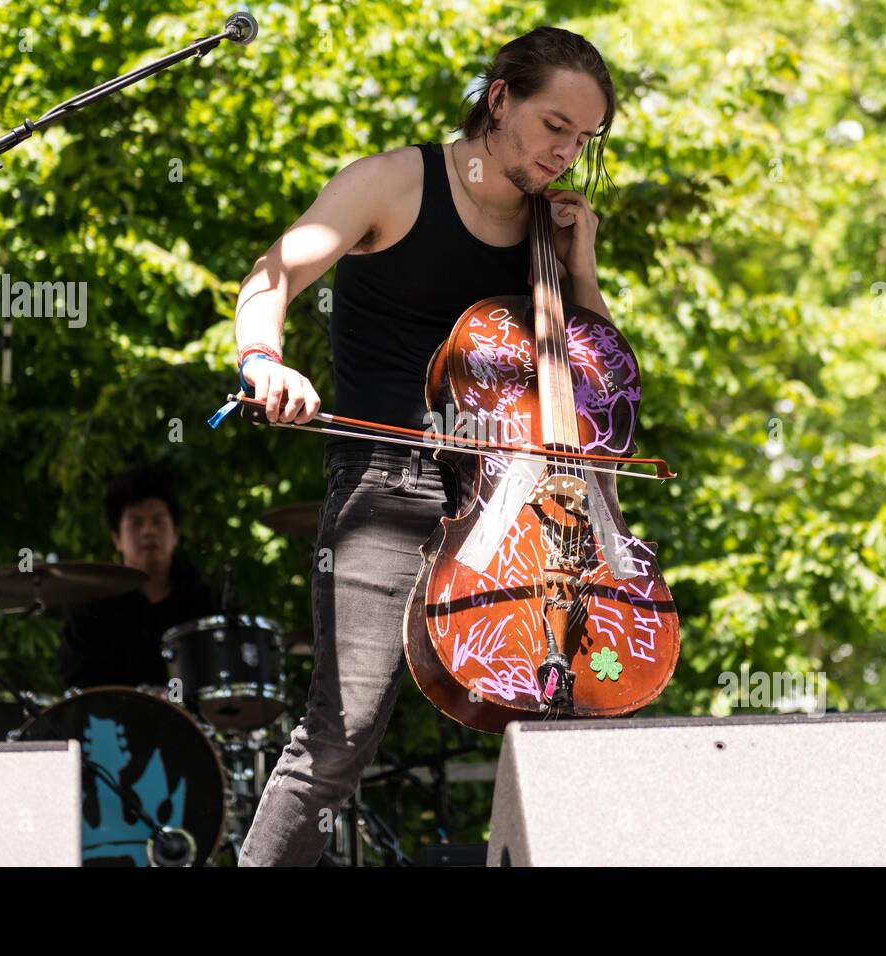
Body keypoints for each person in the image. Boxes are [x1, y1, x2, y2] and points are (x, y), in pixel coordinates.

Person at [233, 25, 616, 865]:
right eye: (556, 127)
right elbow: (275, 274)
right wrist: (264, 361)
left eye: (584, 140)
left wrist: (579, 266)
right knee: (340, 738)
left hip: (517, 506)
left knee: (574, 717)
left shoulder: (550, 233)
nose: (567, 153)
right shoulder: (393, 182)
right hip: (387, 485)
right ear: (501, 96)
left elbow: (596, 387)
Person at [59, 465, 216, 689]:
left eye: (158, 521)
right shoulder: (90, 611)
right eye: (136, 523)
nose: (148, 531)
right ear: (117, 540)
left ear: (176, 534)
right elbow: (80, 692)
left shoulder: (206, 601)